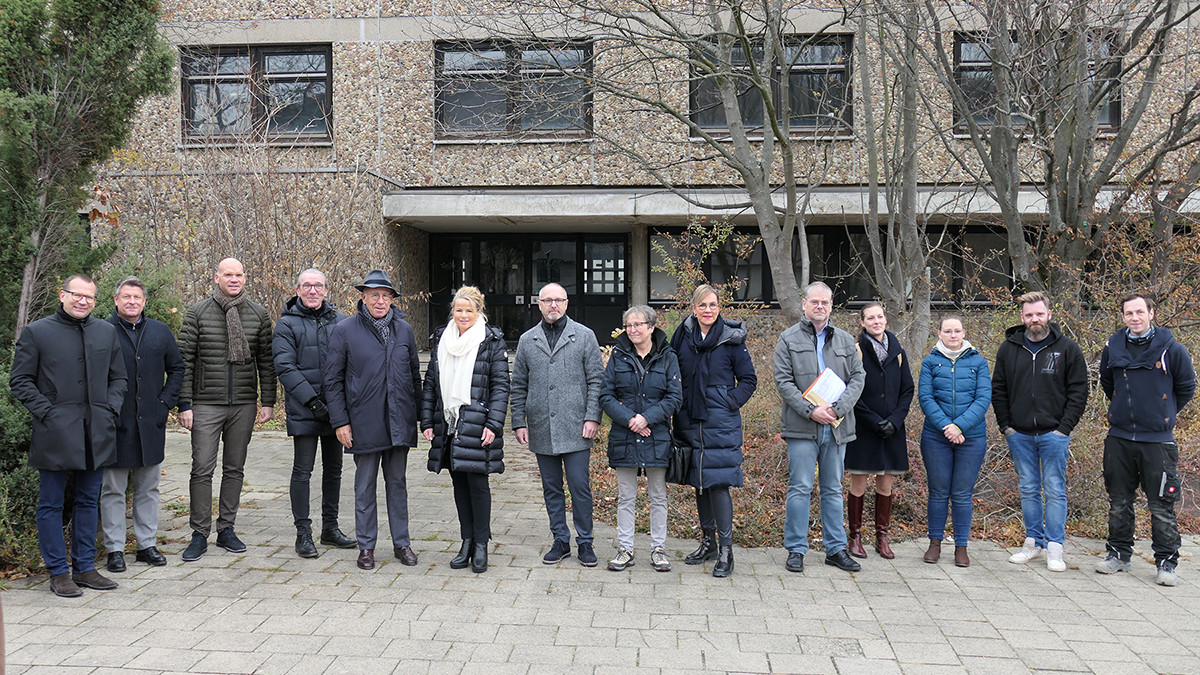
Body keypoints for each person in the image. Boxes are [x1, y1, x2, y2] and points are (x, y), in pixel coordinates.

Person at [10, 274, 127, 597]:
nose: (83, 301)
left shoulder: (106, 332)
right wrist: (48, 413)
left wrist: (110, 409)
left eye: (89, 297)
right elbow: (20, 380)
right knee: (51, 502)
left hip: (97, 431)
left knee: (89, 500)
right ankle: (58, 572)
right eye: (77, 295)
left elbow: (119, 378)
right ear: (62, 295)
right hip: (55, 433)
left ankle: (85, 567)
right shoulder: (38, 333)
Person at [177, 258, 276, 562]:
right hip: (206, 403)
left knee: (234, 469)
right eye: (228, 275)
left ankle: (227, 529)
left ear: (245, 278)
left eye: (239, 275)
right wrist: (184, 404)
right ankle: (199, 532)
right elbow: (184, 362)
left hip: (243, 404)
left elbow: (266, 362)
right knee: (202, 468)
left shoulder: (258, 314)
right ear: (216, 277)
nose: (234, 279)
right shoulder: (198, 312)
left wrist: (268, 401)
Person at [324, 269, 421, 571]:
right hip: (363, 423)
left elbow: (415, 377)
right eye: (374, 295)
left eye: (386, 296)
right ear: (363, 297)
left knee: (398, 485)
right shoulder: (345, 330)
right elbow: (332, 380)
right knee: (364, 487)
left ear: (392, 300)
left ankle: (401, 543)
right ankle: (366, 546)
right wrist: (340, 422)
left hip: (398, 423)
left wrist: (420, 418)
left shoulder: (404, 331)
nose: (380, 301)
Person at [1096, 293, 1195, 586]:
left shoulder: (1172, 350)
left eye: (1140, 311)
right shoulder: (1112, 347)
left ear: (1152, 313)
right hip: (1120, 438)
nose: (1135, 317)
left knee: (1161, 504)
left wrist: (1163, 414)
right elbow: (1107, 382)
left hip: (1158, 441)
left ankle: (1166, 562)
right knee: (1118, 501)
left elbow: (1187, 387)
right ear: (1123, 316)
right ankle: (1118, 555)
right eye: (1129, 313)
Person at [992, 291, 1088, 573]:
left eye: (1039, 314)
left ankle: (1055, 548)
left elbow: (1079, 391)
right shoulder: (1009, 348)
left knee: (1055, 489)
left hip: (1054, 435)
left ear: (1049, 314)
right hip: (1019, 434)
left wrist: (1064, 428)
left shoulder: (1068, 348)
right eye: (1029, 315)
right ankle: (1032, 542)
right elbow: (999, 389)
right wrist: (1006, 426)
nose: (1035, 319)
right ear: (1022, 318)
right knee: (1029, 489)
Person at [511, 282, 604, 567]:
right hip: (541, 426)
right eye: (547, 300)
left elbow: (596, 381)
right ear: (539, 304)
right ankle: (560, 540)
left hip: (577, 426)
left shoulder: (585, 336)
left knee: (579, 487)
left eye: (558, 300)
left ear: (567, 303)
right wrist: (518, 421)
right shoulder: (528, 340)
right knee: (551, 488)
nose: (553, 305)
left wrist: (592, 417)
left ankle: (585, 542)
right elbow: (519, 385)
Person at [774, 281, 864, 575]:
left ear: (831, 306)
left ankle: (835, 549)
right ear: (804, 304)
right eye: (815, 302)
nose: (820, 307)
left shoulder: (846, 340)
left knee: (832, 489)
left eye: (825, 303)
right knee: (800, 488)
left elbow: (858, 379)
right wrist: (811, 411)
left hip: (837, 427)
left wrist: (836, 410)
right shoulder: (787, 339)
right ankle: (796, 550)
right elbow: (783, 382)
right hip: (802, 426)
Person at [421, 286, 509, 574]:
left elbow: (500, 386)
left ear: (478, 311)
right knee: (459, 483)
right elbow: (431, 383)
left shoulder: (491, 341)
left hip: (477, 422)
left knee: (478, 484)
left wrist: (494, 424)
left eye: (468, 310)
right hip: (448, 423)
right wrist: (427, 421)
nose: (463, 315)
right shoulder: (441, 340)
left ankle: (481, 544)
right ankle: (466, 542)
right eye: (458, 309)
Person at [101, 276, 185, 573]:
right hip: (115, 423)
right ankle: (114, 549)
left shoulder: (160, 332)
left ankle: (146, 544)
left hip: (151, 421)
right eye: (126, 297)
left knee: (149, 487)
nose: (132, 302)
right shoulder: (102, 331)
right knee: (113, 488)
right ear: (116, 300)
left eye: (137, 297)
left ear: (144, 301)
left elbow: (177, 368)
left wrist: (165, 403)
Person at [672, 285, 757, 578]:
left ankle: (725, 551)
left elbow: (748, 379)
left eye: (713, 305)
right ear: (694, 308)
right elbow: (672, 370)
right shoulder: (683, 335)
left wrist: (728, 401)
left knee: (718, 483)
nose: (708, 310)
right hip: (688, 418)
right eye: (702, 305)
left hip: (720, 423)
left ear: (719, 307)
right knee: (699, 481)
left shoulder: (731, 338)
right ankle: (707, 542)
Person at [273, 268, 355, 559]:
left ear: (326, 290)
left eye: (317, 285)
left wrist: (339, 406)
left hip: (335, 411)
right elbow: (285, 367)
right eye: (306, 285)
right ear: (297, 290)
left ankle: (330, 529)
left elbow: (350, 364)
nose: (312, 290)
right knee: (303, 471)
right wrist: (313, 402)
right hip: (304, 410)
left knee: (334, 470)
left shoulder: (342, 322)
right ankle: (303, 533)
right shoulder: (286, 324)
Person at [601, 305, 682, 573]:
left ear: (651, 327)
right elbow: (606, 396)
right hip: (624, 436)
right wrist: (630, 420)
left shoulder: (668, 356)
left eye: (639, 324)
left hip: (657, 435)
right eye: (629, 325)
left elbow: (674, 397)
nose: (633, 329)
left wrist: (646, 418)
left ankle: (658, 549)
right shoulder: (618, 356)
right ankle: (625, 548)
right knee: (626, 496)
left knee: (658, 495)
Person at [918, 315, 992, 568]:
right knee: (938, 492)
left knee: (962, 494)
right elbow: (926, 398)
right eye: (947, 331)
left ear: (963, 333)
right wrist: (947, 428)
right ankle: (934, 543)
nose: (952, 335)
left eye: (957, 331)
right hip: (936, 437)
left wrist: (959, 426)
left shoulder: (978, 362)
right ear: (939, 333)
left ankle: (961, 546)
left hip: (971, 437)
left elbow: (983, 399)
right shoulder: (930, 362)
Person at [844, 302, 913, 560]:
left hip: (893, 428)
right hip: (864, 428)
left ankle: (881, 537)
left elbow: (907, 389)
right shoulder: (856, 351)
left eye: (880, 316)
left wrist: (895, 420)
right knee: (859, 482)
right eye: (870, 318)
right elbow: (849, 389)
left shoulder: (898, 351)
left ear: (886, 319)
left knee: (886, 483)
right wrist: (873, 420)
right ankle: (855, 536)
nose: (876, 321)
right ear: (862, 322)